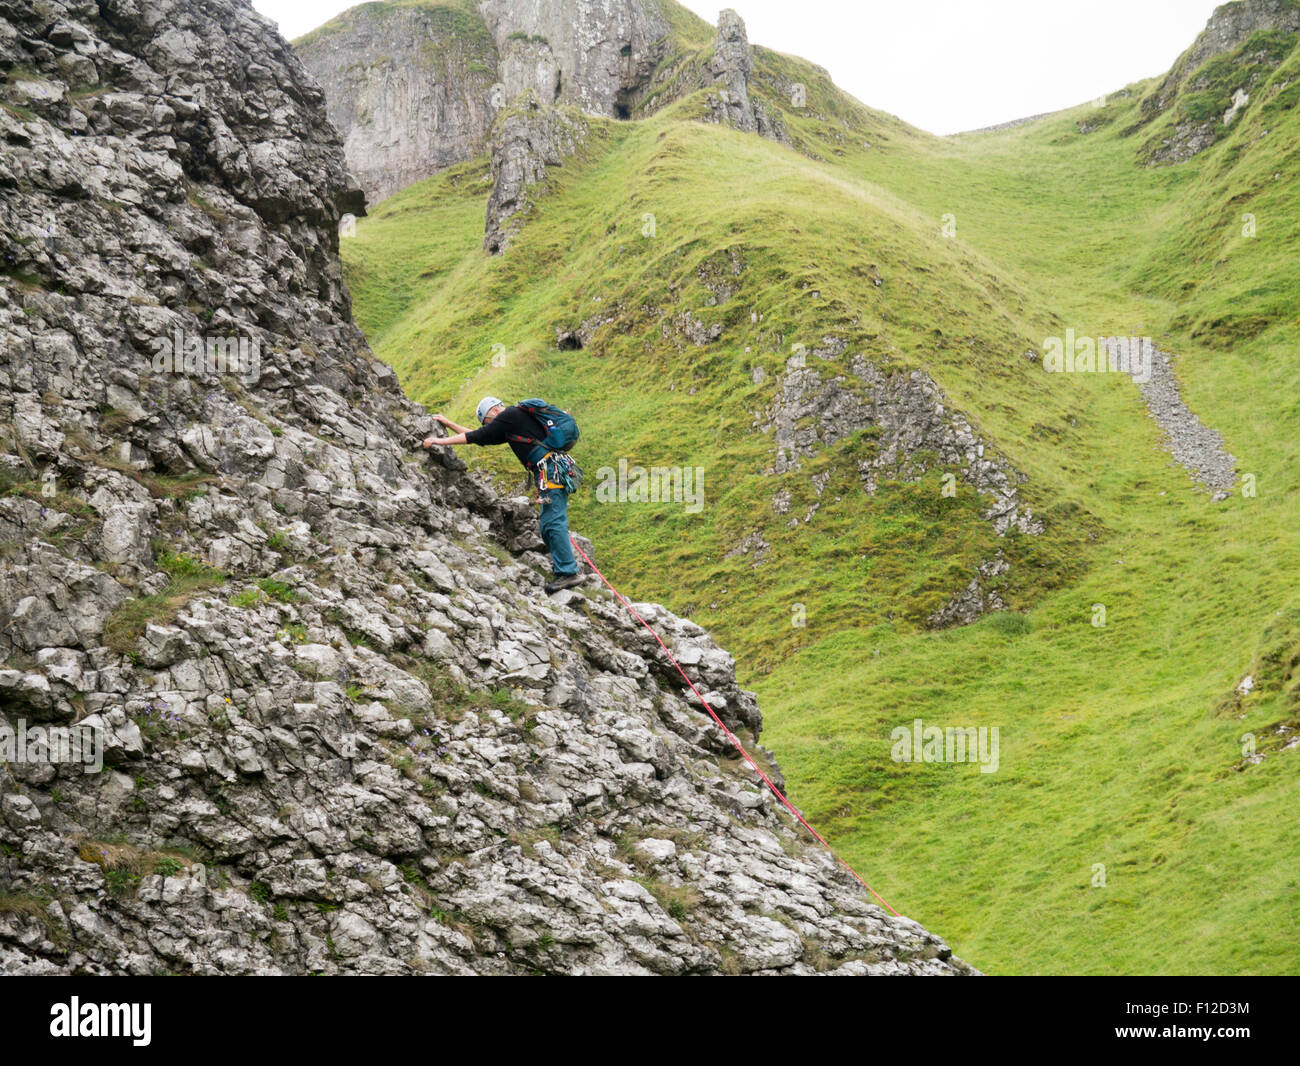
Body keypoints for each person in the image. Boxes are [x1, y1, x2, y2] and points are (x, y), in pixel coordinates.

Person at [423, 396, 585, 594]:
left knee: (552, 521)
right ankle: (564, 570)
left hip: (549, 471)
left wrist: (439, 441)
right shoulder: (512, 423)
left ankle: (568, 572)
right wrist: (448, 423)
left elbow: (476, 435)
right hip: (548, 470)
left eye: (488, 422)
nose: (490, 426)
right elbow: (479, 436)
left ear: (492, 412)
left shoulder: (510, 415)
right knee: (548, 523)